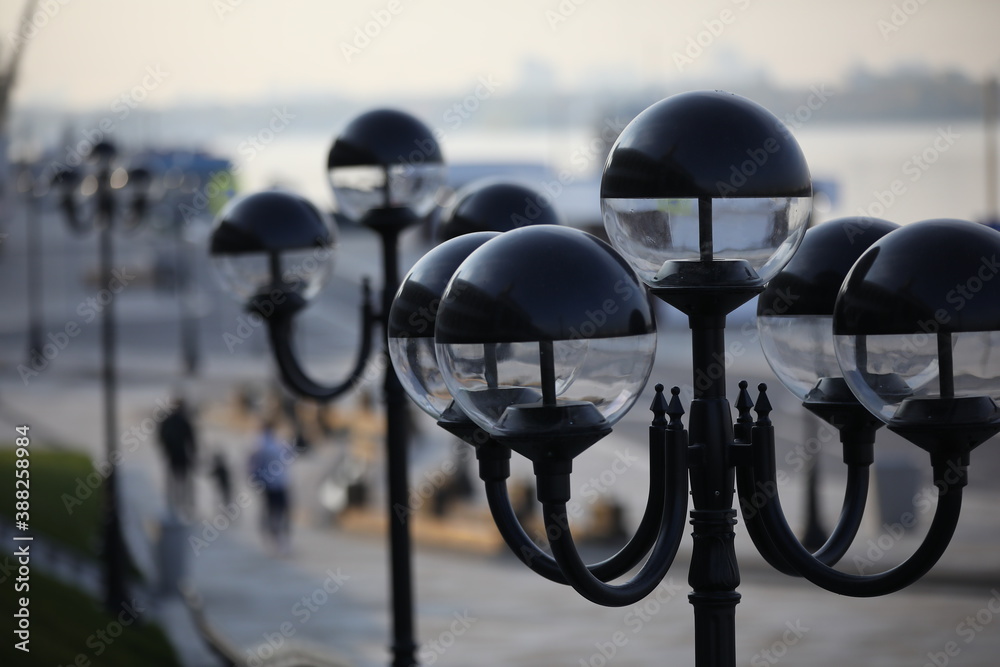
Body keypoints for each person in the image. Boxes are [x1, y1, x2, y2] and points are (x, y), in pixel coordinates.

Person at [248, 420, 293, 554]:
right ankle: (278, 541)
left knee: (272, 513)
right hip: (277, 484)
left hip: (271, 484)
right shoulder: (267, 444)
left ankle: (274, 541)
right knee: (278, 513)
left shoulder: (259, 443)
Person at [157, 399, 197, 519]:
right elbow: (192, 441)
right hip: (181, 456)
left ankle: (173, 504)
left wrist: (165, 450)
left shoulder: (167, 421)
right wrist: (193, 455)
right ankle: (183, 505)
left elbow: (161, 438)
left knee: (174, 482)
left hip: (172, 456)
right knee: (183, 482)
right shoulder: (183, 421)